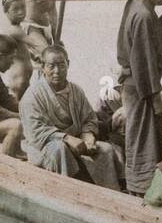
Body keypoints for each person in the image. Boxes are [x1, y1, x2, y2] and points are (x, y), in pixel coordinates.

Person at [20, 45, 123, 189]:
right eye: (51, 66)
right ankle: (67, 192)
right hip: (45, 147)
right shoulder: (32, 96)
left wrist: (88, 136)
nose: (57, 71)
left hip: (76, 142)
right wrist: (66, 138)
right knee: (59, 149)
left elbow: (89, 118)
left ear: (68, 64)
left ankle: (108, 193)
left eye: (61, 65)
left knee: (105, 150)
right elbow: (35, 132)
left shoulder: (76, 91)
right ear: (42, 67)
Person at [117, 0, 162, 196]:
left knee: (141, 135)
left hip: (135, 84)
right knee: (143, 137)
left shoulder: (137, 4)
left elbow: (150, 47)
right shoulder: (142, 15)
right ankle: (141, 189)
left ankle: (140, 187)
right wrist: (155, 95)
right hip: (140, 87)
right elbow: (144, 61)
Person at [0, 0, 33, 102]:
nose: (21, 12)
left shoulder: (17, 27)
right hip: (18, 79)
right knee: (18, 105)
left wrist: (34, 56)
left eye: (23, 7)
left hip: (22, 78)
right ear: (6, 12)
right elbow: (35, 43)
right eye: (15, 9)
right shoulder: (13, 30)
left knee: (23, 105)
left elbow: (21, 51)